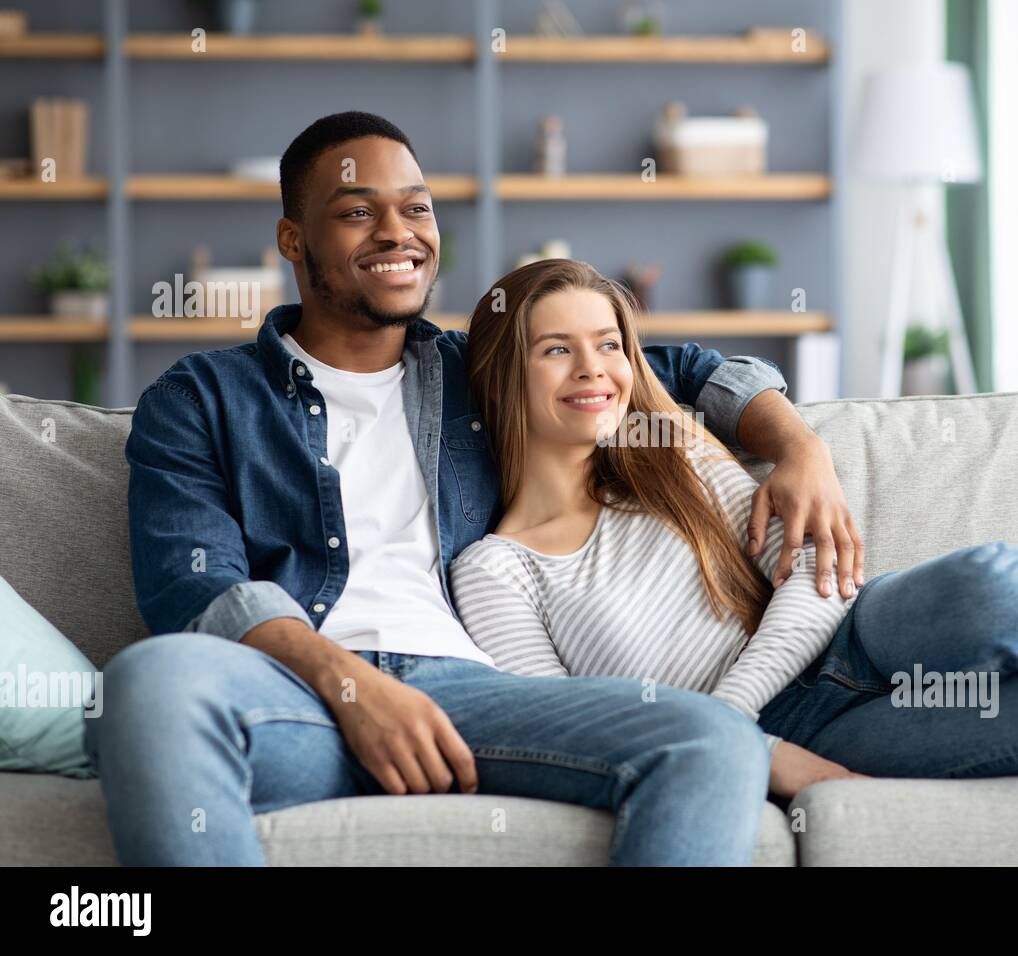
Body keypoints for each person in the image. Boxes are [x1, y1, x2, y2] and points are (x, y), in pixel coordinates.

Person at [83, 111, 864, 867]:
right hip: (297, 702)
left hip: (474, 699)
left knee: (709, 737)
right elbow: (190, 588)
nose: (397, 232)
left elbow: (690, 371)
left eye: (415, 208)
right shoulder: (200, 399)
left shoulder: (481, 369)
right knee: (147, 683)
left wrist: (801, 449)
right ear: (294, 239)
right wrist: (350, 684)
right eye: (358, 211)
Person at [451, 256, 1018, 792]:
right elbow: (568, 726)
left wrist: (733, 717)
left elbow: (818, 576)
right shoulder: (496, 569)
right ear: (503, 376)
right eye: (556, 349)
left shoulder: (673, 448)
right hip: (815, 726)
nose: (595, 369)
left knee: (993, 584)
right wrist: (753, 745)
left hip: (857, 634)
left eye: (609, 344)